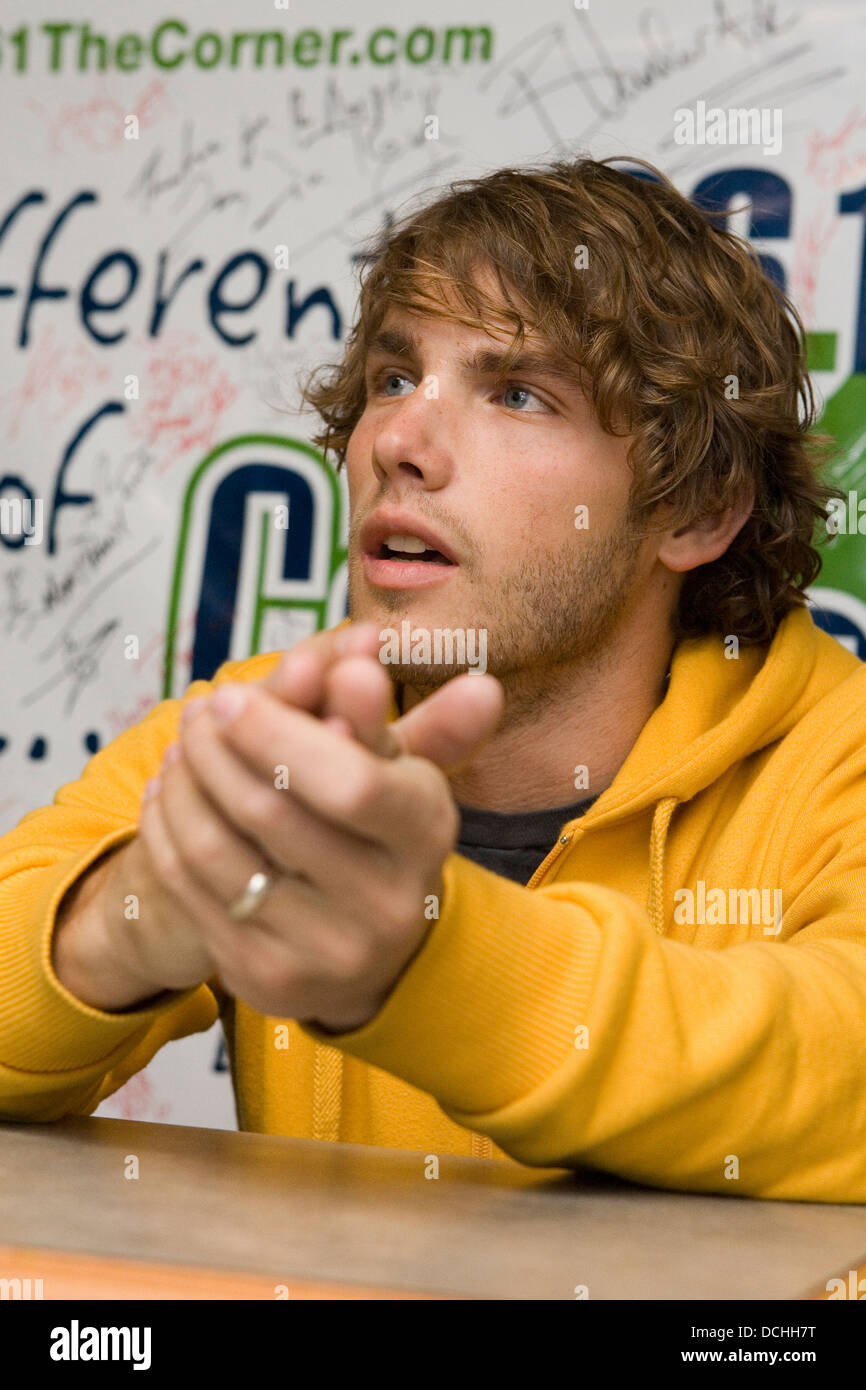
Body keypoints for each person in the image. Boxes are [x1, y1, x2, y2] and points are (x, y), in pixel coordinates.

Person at [1, 156, 863, 1203]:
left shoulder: (835, 752)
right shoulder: (275, 728)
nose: (400, 442)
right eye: (393, 379)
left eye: (517, 393)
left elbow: (827, 1065)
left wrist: (415, 958)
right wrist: (136, 908)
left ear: (694, 510)